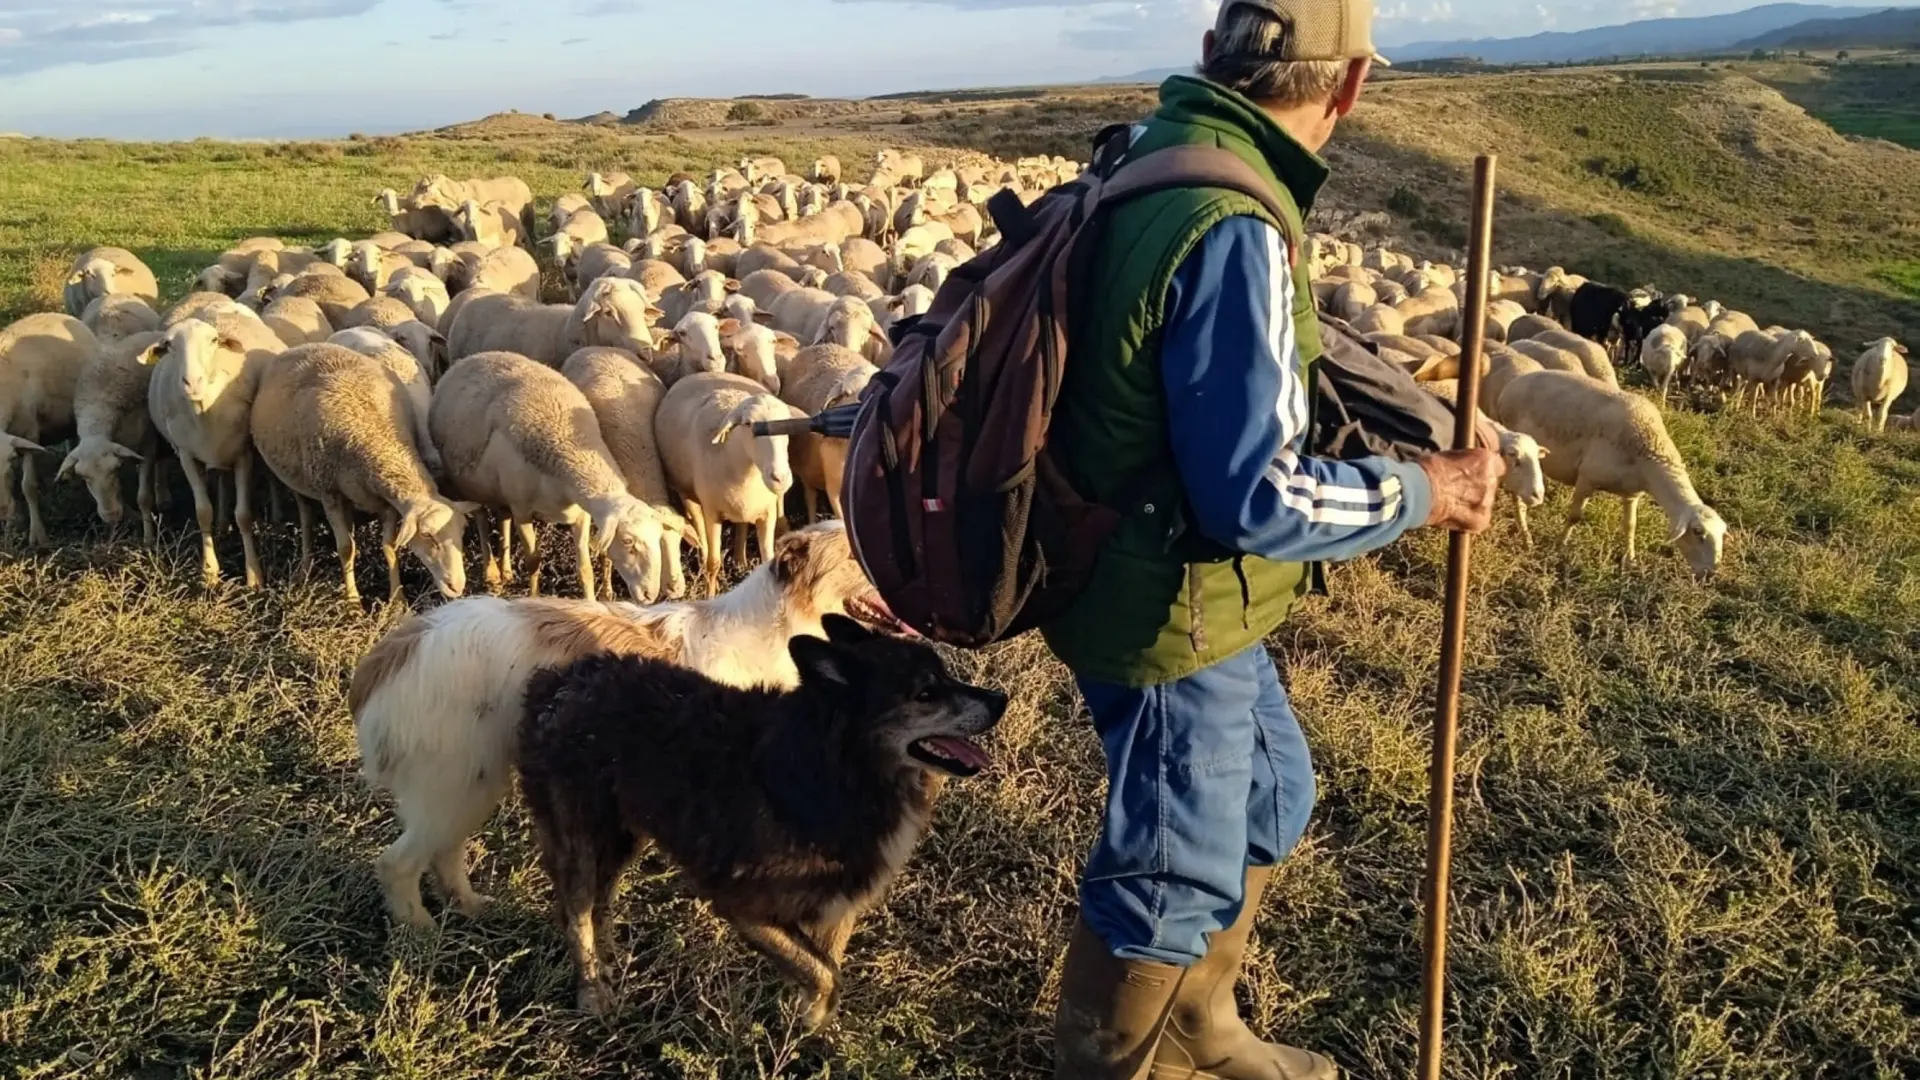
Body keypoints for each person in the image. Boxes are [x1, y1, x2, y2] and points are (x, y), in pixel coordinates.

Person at [1042, 1, 1506, 1077]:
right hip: (1168, 606)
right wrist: (1421, 489)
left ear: (1212, 57)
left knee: (1271, 792)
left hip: (1167, 575)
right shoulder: (1231, 221)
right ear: (1348, 87)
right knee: (1173, 870)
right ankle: (1113, 1061)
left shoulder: (1154, 157)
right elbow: (1256, 498)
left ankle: (1203, 1026)